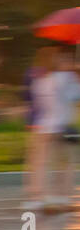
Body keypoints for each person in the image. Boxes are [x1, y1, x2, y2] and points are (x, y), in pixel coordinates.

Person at [25, 47, 80, 212]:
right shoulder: (67, 78)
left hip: (43, 128)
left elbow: (36, 103)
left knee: (40, 164)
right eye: (65, 59)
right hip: (62, 128)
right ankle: (61, 199)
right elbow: (75, 96)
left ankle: (38, 198)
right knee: (65, 164)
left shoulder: (39, 79)